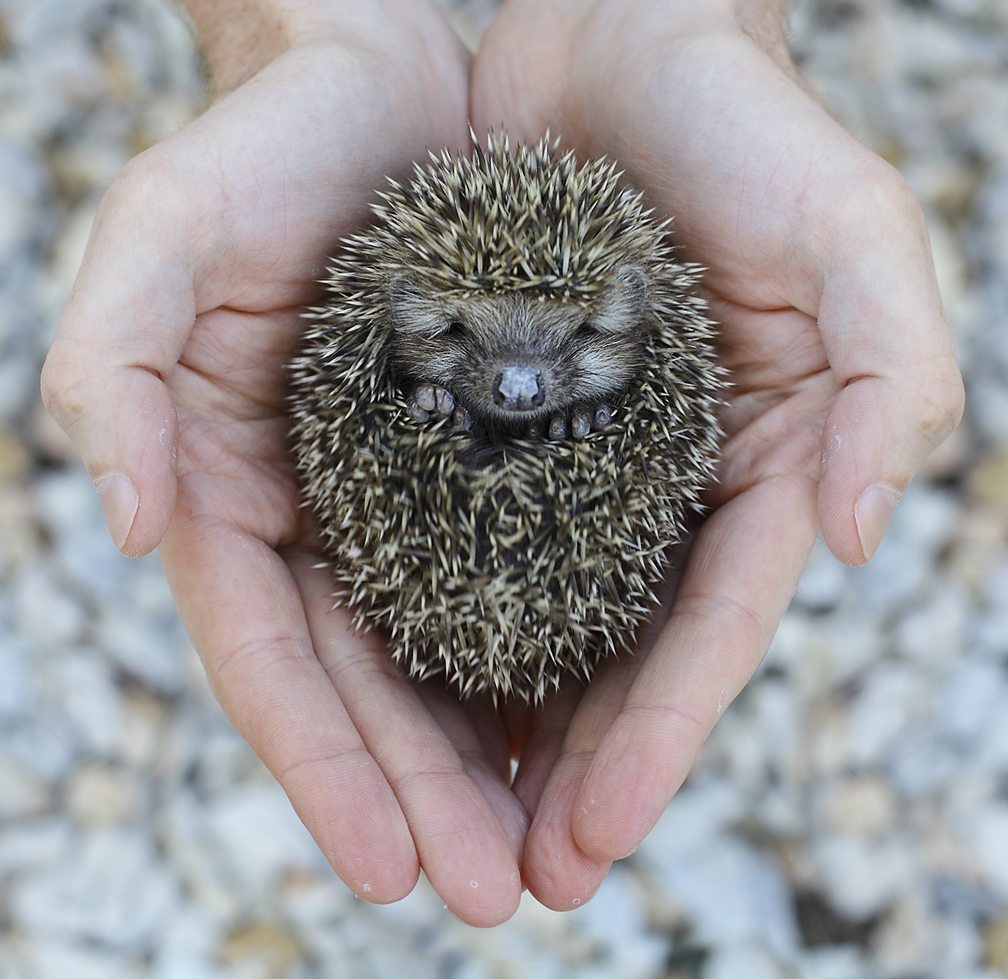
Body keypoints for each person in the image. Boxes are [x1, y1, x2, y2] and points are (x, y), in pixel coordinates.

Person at [40, 0, 964, 926]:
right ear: (409, 315)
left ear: (628, 314)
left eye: (564, 346)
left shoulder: (629, 333)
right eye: (468, 340)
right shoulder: (395, 338)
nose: (520, 384)